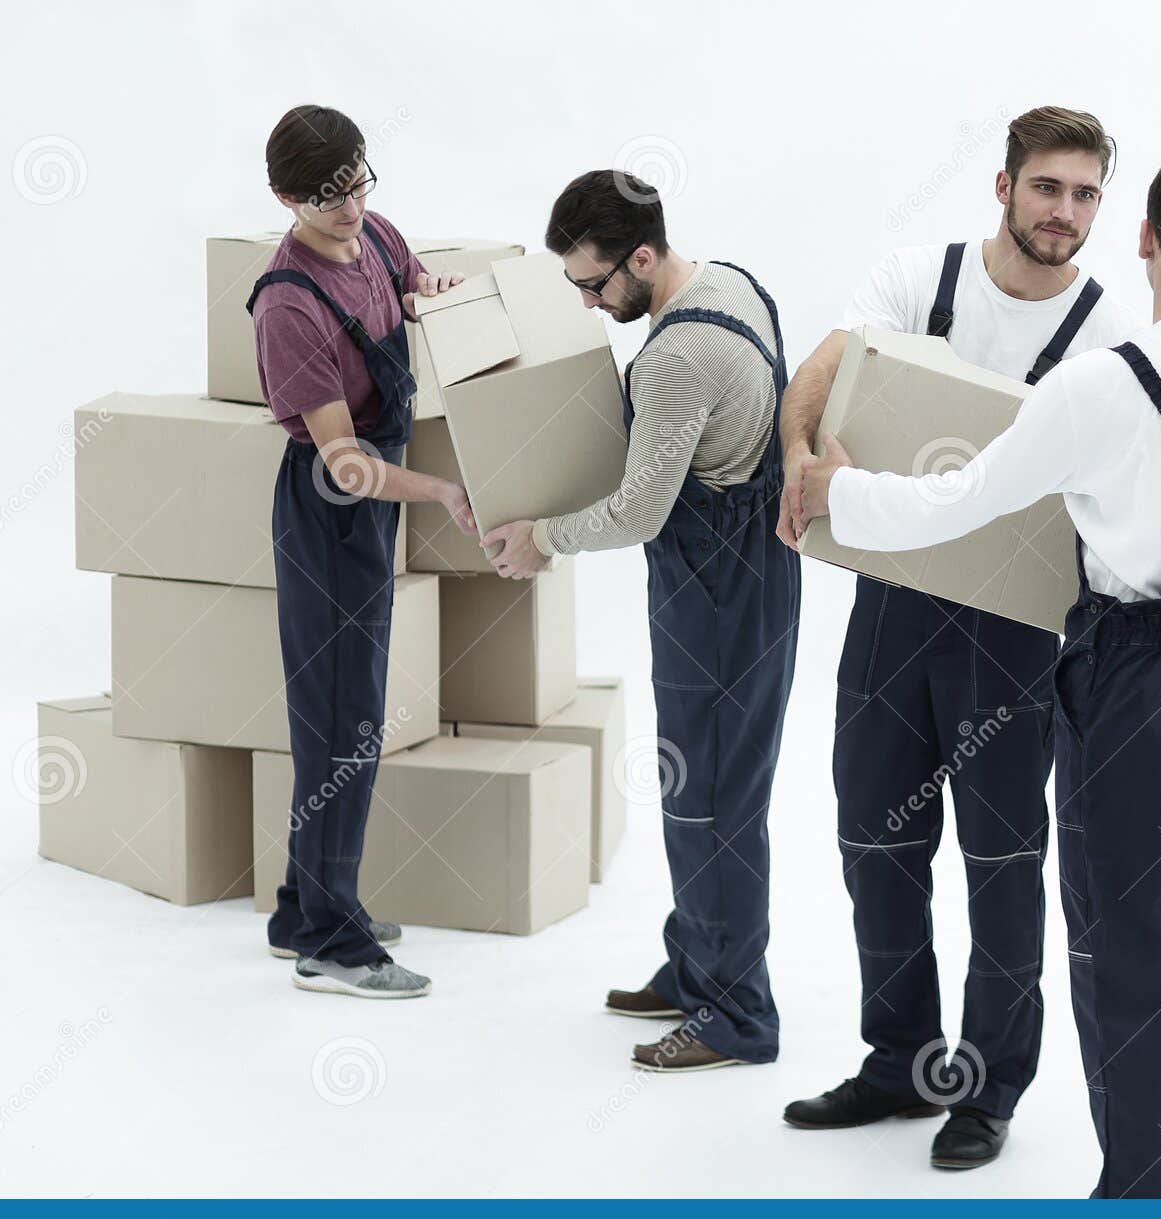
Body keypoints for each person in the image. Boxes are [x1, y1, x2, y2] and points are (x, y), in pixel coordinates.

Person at [799, 143, 1161, 1197]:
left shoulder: (1104, 381)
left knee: (1126, 952)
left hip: (1132, 684)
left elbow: (963, 500)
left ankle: (1140, 1210)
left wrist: (842, 494)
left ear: (1142, 237)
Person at [775, 107, 1139, 1169]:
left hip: (1015, 631)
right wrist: (799, 456)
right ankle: (898, 1060)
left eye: (1084, 194)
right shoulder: (917, 280)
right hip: (891, 605)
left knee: (1001, 860)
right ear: (1004, 186)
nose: (1063, 211)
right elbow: (827, 365)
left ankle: (986, 1086)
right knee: (874, 842)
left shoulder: (1109, 336)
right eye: (1046, 187)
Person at [481, 171, 800, 1073]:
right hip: (750, 576)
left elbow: (637, 510)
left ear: (645, 259)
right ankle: (699, 964)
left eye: (595, 283)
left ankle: (737, 1013)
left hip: (718, 594)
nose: (589, 303)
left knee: (714, 802)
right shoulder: (735, 282)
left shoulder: (672, 360)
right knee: (700, 787)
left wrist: (542, 537)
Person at [248, 104, 477, 999]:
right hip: (330, 511)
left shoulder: (376, 236)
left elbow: (410, 285)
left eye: (357, 181)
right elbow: (344, 462)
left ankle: (300, 907)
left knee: (348, 712)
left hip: (374, 503)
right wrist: (442, 492)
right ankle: (333, 945)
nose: (349, 207)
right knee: (343, 723)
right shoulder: (287, 303)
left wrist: (439, 294)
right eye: (327, 196)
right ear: (285, 198)